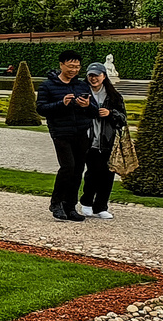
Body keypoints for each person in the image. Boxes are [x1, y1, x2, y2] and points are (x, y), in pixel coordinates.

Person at [38, 50, 105, 222]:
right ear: (61, 65)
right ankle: (56, 202)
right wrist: (62, 103)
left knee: (77, 170)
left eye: (77, 67)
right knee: (67, 167)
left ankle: (70, 206)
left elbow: (93, 112)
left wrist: (87, 105)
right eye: (71, 66)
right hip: (61, 132)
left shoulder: (82, 86)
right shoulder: (48, 85)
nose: (74, 70)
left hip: (81, 132)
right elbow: (41, 109)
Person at [77, 63, 128, 220]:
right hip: (88, 139)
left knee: (107, 174)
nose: (93, 78)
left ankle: (101, 206)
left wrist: (110, 113)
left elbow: (123, 118)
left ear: (104, 76)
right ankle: (86, 202)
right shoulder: (82, 92)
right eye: (91, 75)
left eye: (96, 75)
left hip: (107, 140)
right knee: (92, 172)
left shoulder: (114, 96)